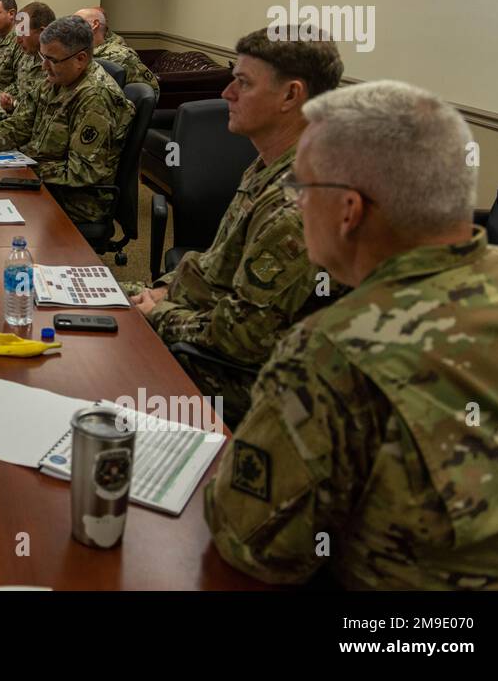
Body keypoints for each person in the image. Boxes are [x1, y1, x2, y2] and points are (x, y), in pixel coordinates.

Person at [206, 81, 498, 590]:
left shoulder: (332, 351)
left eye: (300, 189)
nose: (295, 205)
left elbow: (252, 542)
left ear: (347, 211)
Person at [128, 28, 343, 426]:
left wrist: (162, 314)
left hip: (271, 388)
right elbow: (218, 262)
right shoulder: (269, 164)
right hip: (226, 331)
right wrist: (161, 289)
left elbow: (244, 337)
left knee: (116, 367)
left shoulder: (300, 201)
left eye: (242, 82)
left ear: (291, 95)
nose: (227, 93)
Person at [0, 16, 133, 224]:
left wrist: (22, 168)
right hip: (39, 179)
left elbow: (83, 171)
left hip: (73, 200)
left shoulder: (96, 97)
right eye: (43, 57)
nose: (44, 66)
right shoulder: (55, 81)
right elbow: (18, 126)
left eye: (52, 60)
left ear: (81, 59)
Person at [0, 1, 54, 119]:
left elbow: (39, 115)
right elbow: (19, 85)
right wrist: (8, 102)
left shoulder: (57, 65)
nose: (18, 40)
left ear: (42, 32)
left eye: (22, 33)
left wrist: (14, 105)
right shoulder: (28, 55)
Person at [74, 7, 159, 93]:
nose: (70, 27)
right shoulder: (74, 52)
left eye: (76, 22)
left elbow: (149, 91)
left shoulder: (122, 56)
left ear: (94, 24)